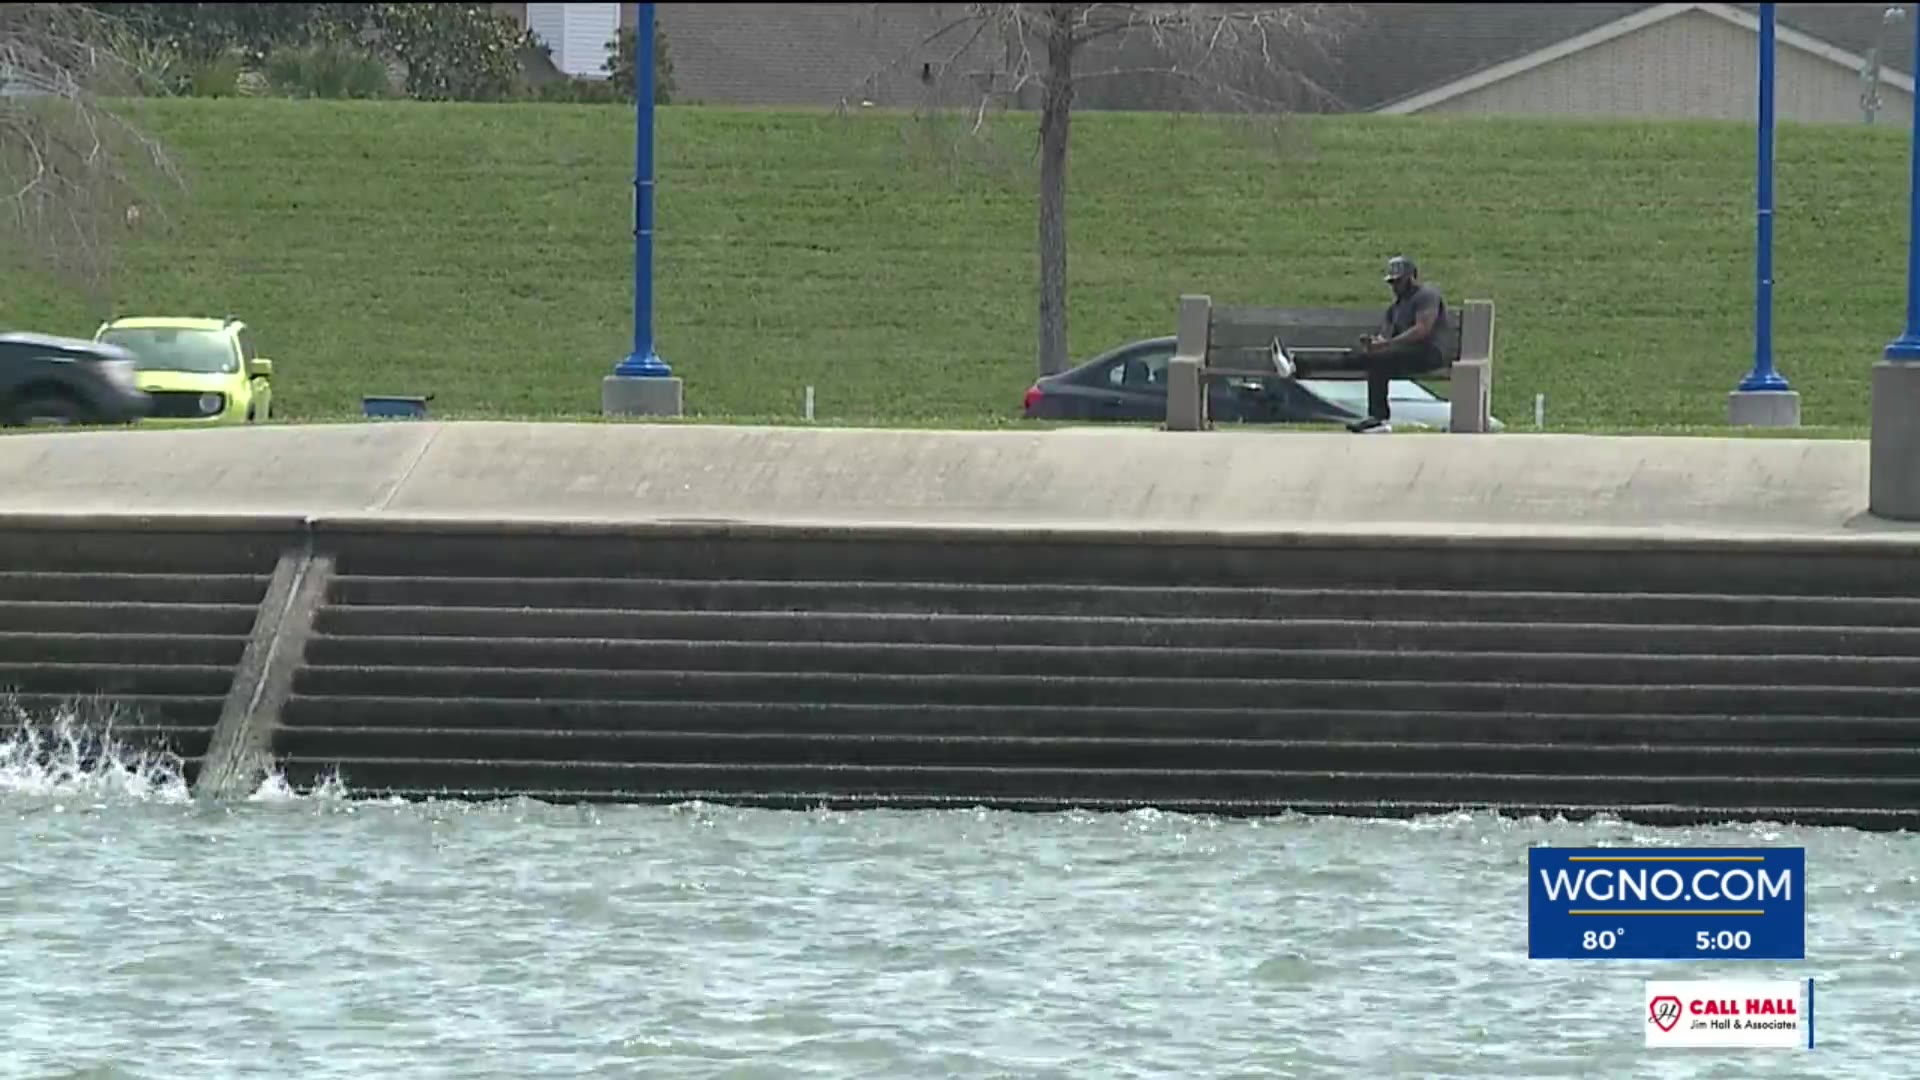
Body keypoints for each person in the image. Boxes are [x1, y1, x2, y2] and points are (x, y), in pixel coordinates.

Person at [1272, 255, 1453, 434]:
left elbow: (1422, 329)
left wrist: (1387, 345)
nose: (1394, 286)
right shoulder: (1395, 308)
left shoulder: (1426, 295)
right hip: (1402, 355)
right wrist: (1374, 343)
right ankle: (1297, 365)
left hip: (1430, 353)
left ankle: (1378, 418)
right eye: (1392, 282)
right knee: (1362, 357)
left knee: (1379, 360)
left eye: (1398, 281)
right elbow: (1385, 337)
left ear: (1412, 277)